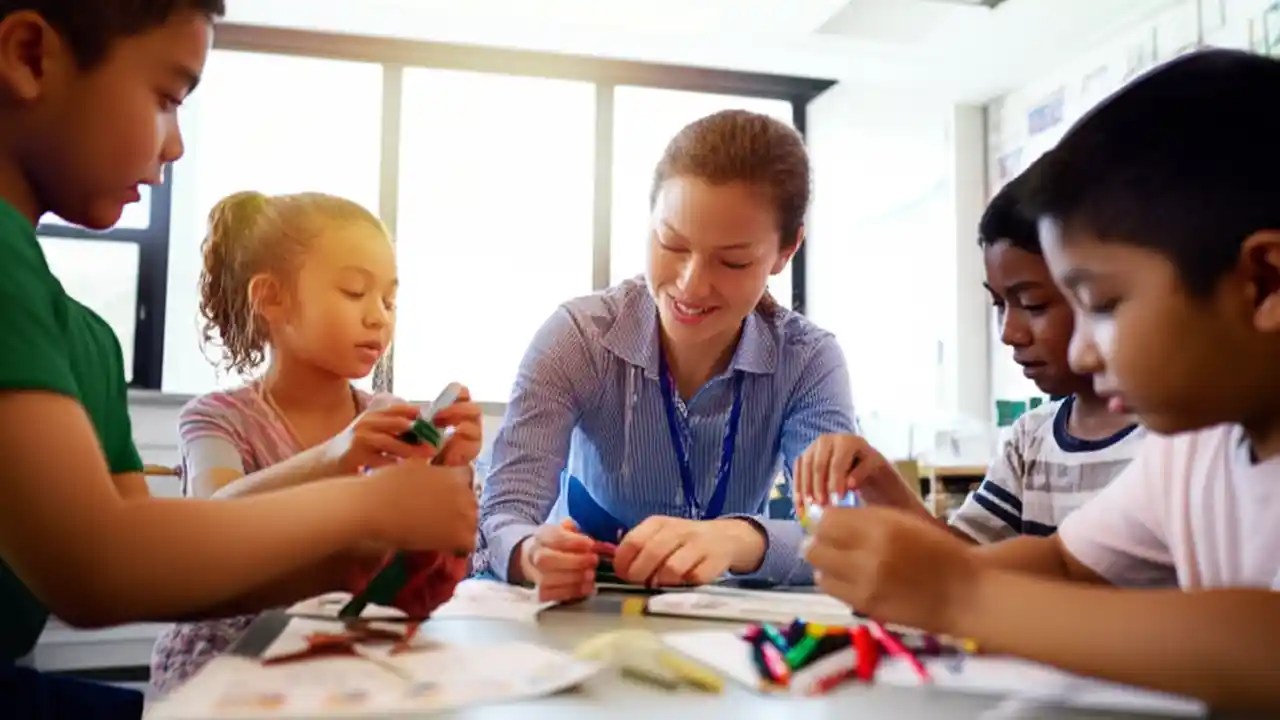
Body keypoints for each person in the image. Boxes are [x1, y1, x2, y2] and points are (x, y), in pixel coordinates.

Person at [0, 3, 475, 715]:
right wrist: (363, 501)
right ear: (30, 56)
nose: (176, 147)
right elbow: (98, 564)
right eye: (166, 97)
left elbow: (152, 562)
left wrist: (384, 551)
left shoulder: (89, 342)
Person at [803, 49, 1280, 712]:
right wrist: (910, 578)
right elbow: (1064, 563)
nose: (1082, 352)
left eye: (1104, 305)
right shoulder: (1192, 449)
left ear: (1264, 283)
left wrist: (959, 595)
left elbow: (1264, 643)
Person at [478, 110, 857, 601]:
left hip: (724, 624)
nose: (690, 284)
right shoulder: (579, 337)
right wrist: (531, 553)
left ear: (786, 251)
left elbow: (846, 537)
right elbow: (503, 513)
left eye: (733, 261)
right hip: (579, 610)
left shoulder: (807, 361)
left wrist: (739, 539)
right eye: (671, 243)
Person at [149, 191, 482, 694]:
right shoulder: (218, 418)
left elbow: (415, 573)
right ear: (271, 299)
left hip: (346, 663)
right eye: (354, 292)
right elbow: (210, 517)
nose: (379, 317)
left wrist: (449, 476)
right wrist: (334, 456)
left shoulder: (383, 417)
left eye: (389, 300)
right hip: (228, 672)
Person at [794, 172, 1143, 545]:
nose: (1009, 332)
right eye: (998, 304)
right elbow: (963, 562)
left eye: (1032, 304)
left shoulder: (1171, 442)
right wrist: (881, 483)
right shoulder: (1030, 440)